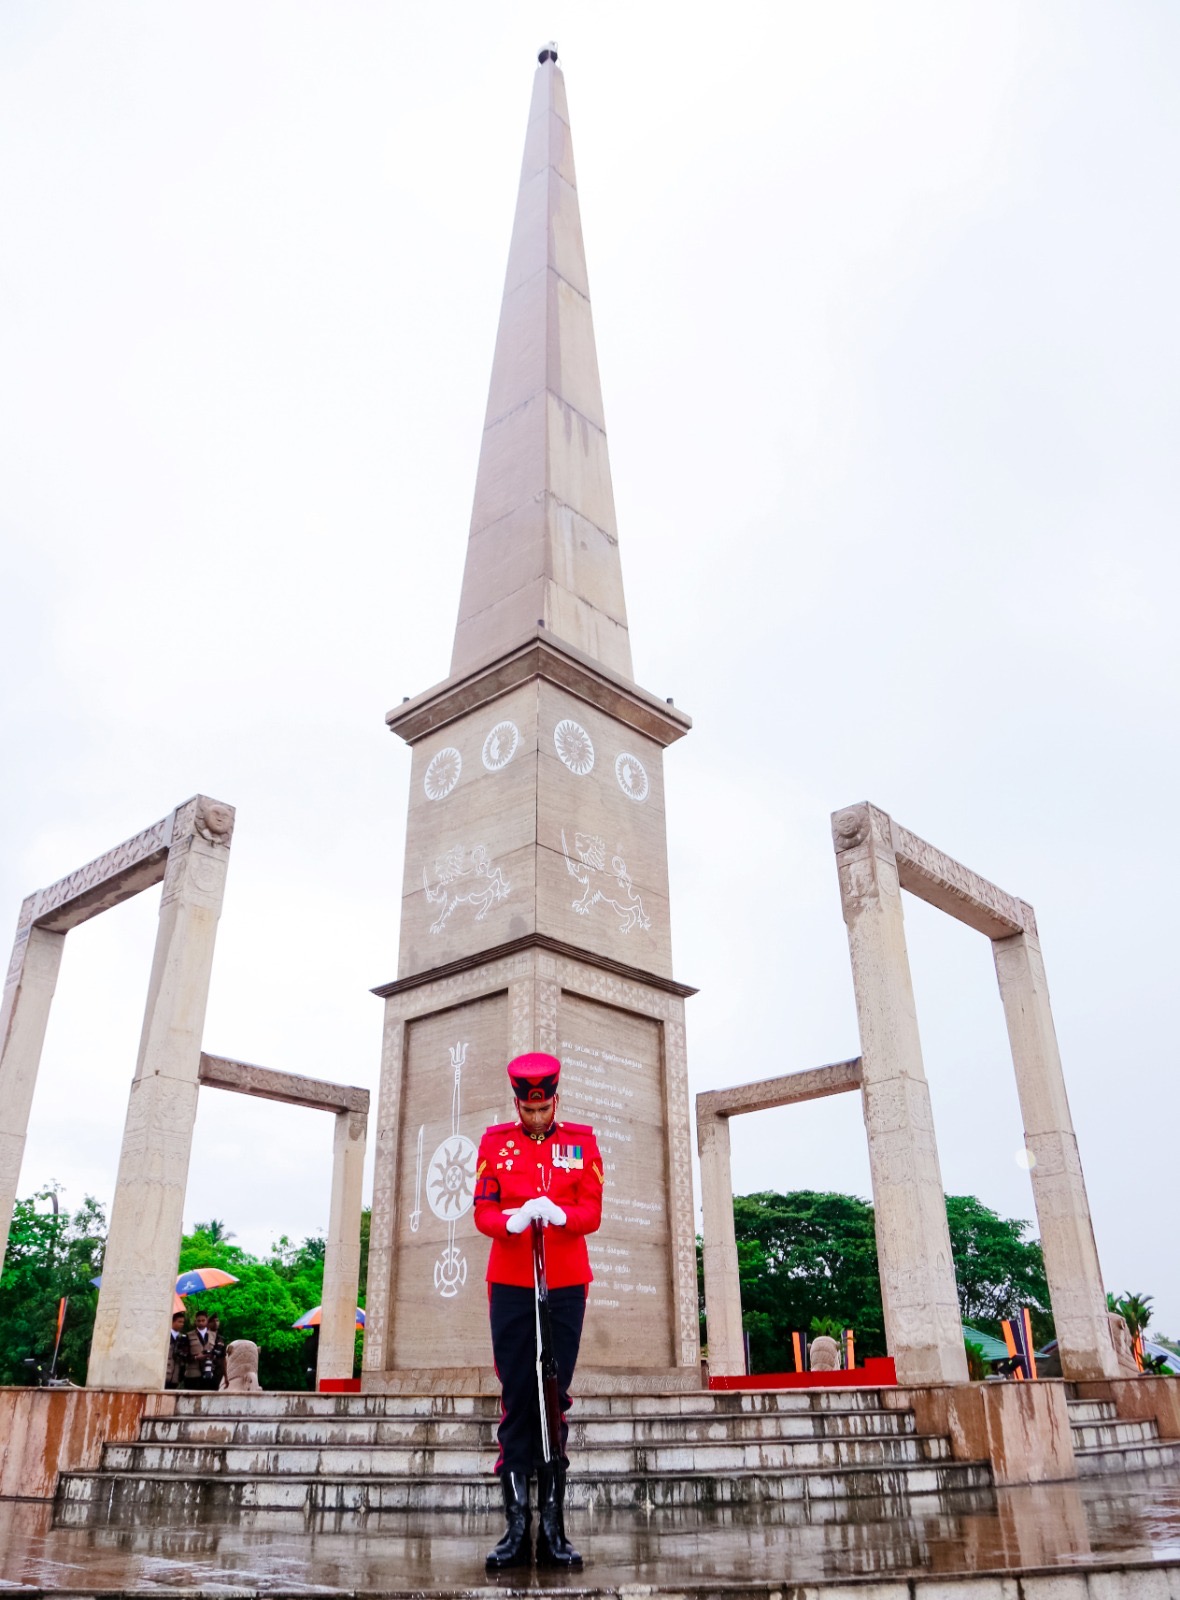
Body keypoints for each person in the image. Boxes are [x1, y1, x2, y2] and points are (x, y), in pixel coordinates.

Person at [473, 1051, 604, 1571]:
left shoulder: (582, 1142)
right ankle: (515, 1528)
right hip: (510, 1283)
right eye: (528, 1109)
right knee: (517, 1398)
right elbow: (481, 1207)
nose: (536, 1116)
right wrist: (508, 1222)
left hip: (566, 1283)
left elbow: (592, 1211)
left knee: (553, 1399)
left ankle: (553, 1530)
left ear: (554, 1099)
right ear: (517, 1103)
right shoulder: (494, 1143)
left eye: (543, 1107)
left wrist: (561, 1214)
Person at [184, 1310, 220, 1390]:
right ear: (195, 1321)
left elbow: (218, 1353)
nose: (201, 1323)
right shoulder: (189, 1335)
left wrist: (212, 1355)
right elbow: (184, 1356)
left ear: (207, 1320)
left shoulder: (213, 1335)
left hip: (209, 1372)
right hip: (193, 1374)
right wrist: (196, 1357)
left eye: (203, 1320)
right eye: (198, 1321)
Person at [166, 1310, 187, 1389]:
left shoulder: (183, 1338)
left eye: (183, 1322)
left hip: (176, 1375)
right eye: (179, 1322)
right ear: (172, 1321)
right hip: (165, 1374)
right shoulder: (166, 1334)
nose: (182, 1324)